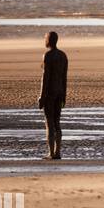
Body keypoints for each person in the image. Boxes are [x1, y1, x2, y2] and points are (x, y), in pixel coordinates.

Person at [37, 31, 68, 160]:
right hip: (60, 91)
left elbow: (45, 77)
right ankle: (58, 152)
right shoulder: (63, 56)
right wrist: (64, 95)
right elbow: (64, 78)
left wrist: (41, 96)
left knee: (49, 123)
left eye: (45, 38)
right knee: (57, 122)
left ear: (49, 40)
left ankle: (51, 153)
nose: (44, 40)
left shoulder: (48, 56)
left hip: (50, 93)